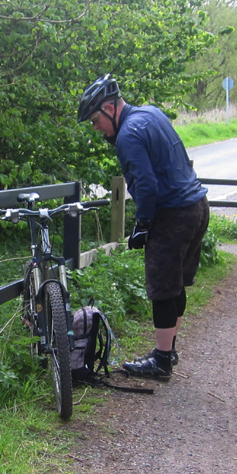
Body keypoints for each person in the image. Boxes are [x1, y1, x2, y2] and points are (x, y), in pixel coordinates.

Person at [77, 74, 210, 381]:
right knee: (176, 284)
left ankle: (161, 361)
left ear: (110, 108)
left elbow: (146, 184)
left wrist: (143, 223)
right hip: (197, 207)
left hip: (172, 214)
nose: (96, 129)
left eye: (96, 120)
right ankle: (169, 350)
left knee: (163, 288)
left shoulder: (127, 135)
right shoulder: (152, 113)